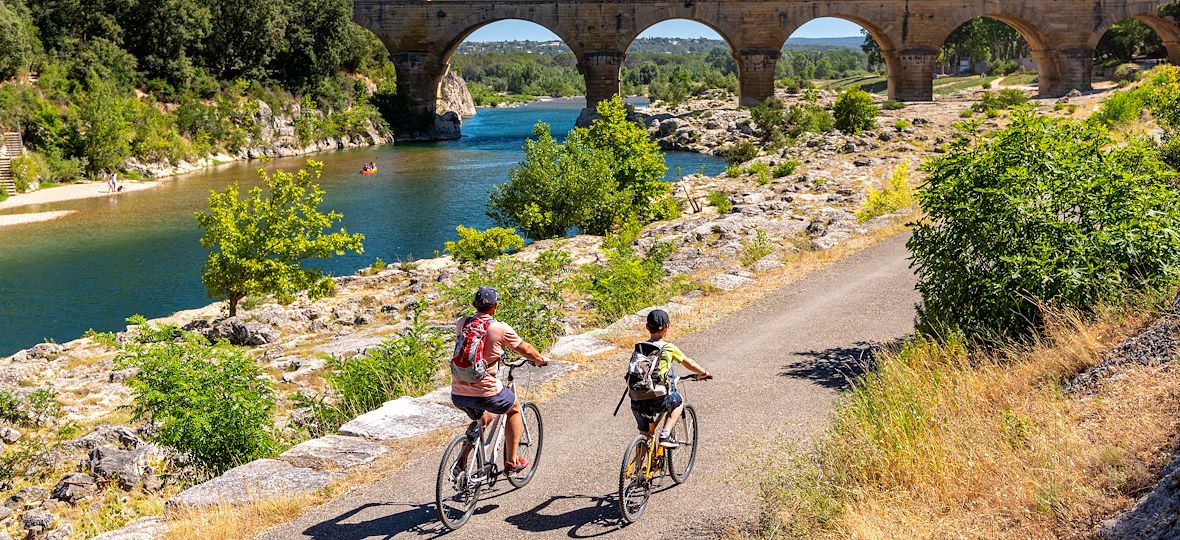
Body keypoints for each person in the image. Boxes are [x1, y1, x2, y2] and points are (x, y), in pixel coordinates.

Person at [451, 286, 550, 471]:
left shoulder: (462, 322)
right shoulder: (499, 328)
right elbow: (526, 349)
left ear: (475, 305)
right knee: (513, 408)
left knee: (484, 415)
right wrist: (540, 360)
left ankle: (462, 460)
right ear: (494, 307)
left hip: (457, 392)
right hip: (485, 390)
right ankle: (512, 461)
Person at [629, 309, 710, 448]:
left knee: (645, 434)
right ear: (667, 328)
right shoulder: (668, 348)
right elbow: (688, 363)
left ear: (647, 327)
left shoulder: (640, 347)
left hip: (636, 400)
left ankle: (638, 468)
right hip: (657, 399)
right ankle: (665, 435)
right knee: (678, 401)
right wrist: (704, 372)